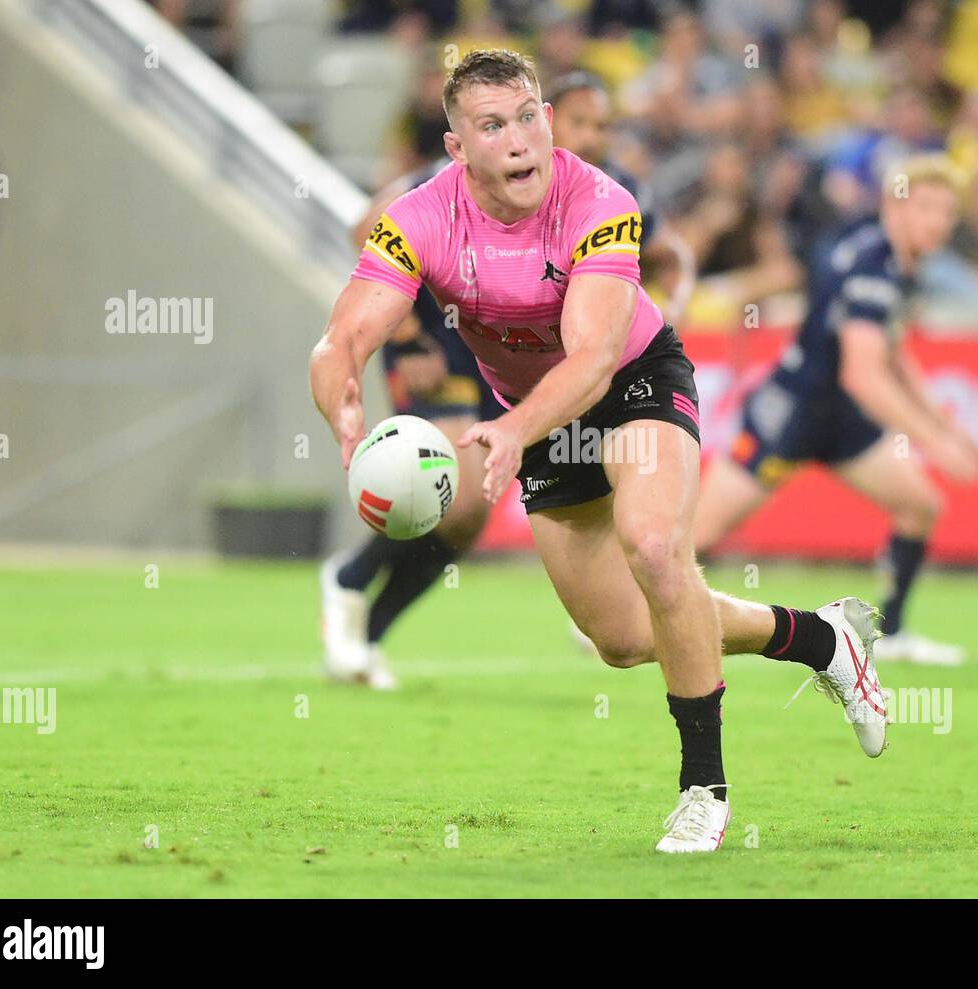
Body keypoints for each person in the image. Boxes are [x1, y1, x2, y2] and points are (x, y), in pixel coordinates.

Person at [310, 49, 889, 853]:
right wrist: (338, 386)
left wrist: (511, 431)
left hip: (633, 381)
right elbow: (345, 334)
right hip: (539, 417)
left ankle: (703, 790)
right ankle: (825, 640)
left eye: (526, 116)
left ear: (545, 118)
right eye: (491, 125)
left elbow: (593, 356)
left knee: (656, 549)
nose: (517, 140)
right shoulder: (418, 218)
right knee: (623, 639)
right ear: (456, 148)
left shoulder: (599, 198)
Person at [320, 71, 693, 689]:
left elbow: (667, 255)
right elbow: (368, 226)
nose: (592, 136)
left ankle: (369, 626)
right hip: (445, 344)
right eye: (580, 122)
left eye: (601, 125)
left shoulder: (607, 192)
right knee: (459, 496)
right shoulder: (449, 187)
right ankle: (350, 581)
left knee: (467, 517)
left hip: (534, 359)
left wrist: (669, 304)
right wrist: (409, 336)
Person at [694, 155, 978, 666]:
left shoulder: (891, 255)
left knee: (920, 505)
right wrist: (936, 442)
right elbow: (863, 372)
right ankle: (620, 614)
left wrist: (944, 424)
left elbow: (891, 350)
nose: (939, 221)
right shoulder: (876, 267)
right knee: (702, 532)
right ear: (895, 206)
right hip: (793, 413)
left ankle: (891, 635)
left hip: (841, 418)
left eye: (947, 211)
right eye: (927, 207)